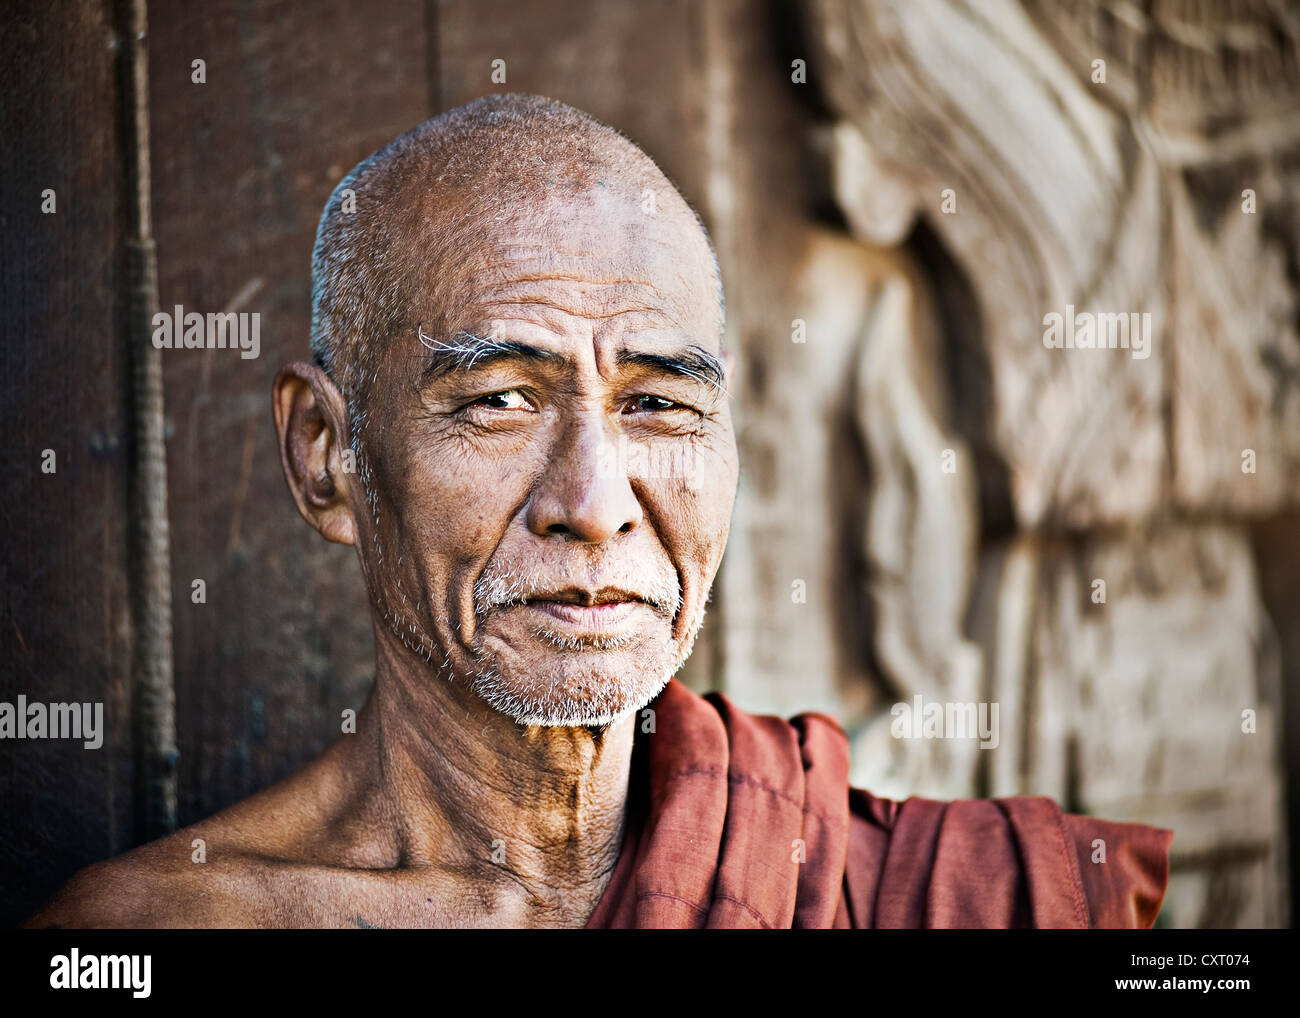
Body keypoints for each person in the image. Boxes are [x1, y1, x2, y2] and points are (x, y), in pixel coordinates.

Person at [30, 93, 1171, 929]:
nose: (593, 504)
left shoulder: (897, 886)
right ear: (326, 456)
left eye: (660, 404)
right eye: (499, 400)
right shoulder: (147, 936)